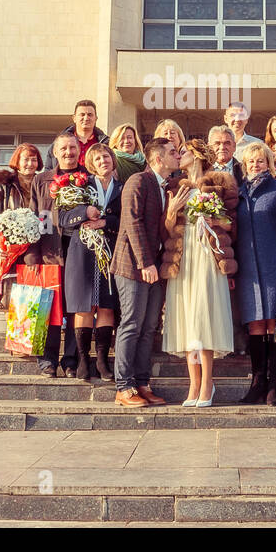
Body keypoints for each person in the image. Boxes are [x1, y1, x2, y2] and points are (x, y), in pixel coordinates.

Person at [159, 139, 238, 406]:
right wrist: (171, 211)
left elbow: (233, 224)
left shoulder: (221, 183)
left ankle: (208, 385)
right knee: (187, 321)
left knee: (204, 318)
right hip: (183, 259)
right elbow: (167, 230)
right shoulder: (174, 186)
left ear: (197, 155)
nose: (178, 156)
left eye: (183, 152)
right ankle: (193, 385)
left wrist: (216, 220)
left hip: (207, 256)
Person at [110, 137, 180, 407]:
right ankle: (124, 387)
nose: (178, 156)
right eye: (172, 153)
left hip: (154, 267)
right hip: (133, 266)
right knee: (131, 324)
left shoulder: (167, 187)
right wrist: (145, 263)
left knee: (149, 326)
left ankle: (141, 383)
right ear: (158, 159)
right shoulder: (138, 181)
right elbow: (132, 222)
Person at [233, 141, 276, 406]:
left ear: (269, 163)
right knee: (254, 324)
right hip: (248, 270)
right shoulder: (238, 193)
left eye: (260, 160)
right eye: (250, 161)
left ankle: (275, 384)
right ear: (244, 165)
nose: (255, 164)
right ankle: (257, 383)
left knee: (275, 324)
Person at [59, 143, 123, 381]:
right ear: (90, 164)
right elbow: (63, 218)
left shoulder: (123, 187)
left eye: (106, 156)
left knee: (106, 305)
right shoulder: (78, 185)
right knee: (83, 306)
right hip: (82, 252)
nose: (102, 161)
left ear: (112, 159)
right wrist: (85, 212)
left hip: (110, 252)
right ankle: (84, 361)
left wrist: (106, 223)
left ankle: (103, 363)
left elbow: (127, 218)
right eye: (97, 159)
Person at [32, 134, 80, 377]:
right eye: (64, 148)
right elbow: (34, 217)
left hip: (79, 253)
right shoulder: (42, 179)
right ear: (55, 152)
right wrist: (32, 257)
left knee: (75, 308)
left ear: (79, 151)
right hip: (49, 252)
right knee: (47, 308)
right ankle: (47, 361)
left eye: (73, 147)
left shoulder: (88, 179)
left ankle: (71, 360)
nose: (68, 152)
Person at [0, 142, 43, 306]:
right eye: (26, 159)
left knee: (32, 301)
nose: (30, 164)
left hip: (35, 250)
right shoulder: (4, 186)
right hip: (9, 251)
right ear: (17, 161)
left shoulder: (43, 183)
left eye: (34, 160)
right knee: (10, 300)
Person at [46, 99, 108, 167]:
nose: (86, 118)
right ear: (74, 118)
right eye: (82, 114)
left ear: (96, 118)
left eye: (90, 115)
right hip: (66, 177)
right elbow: (49, 169)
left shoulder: (106, 144)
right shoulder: (58, 143)